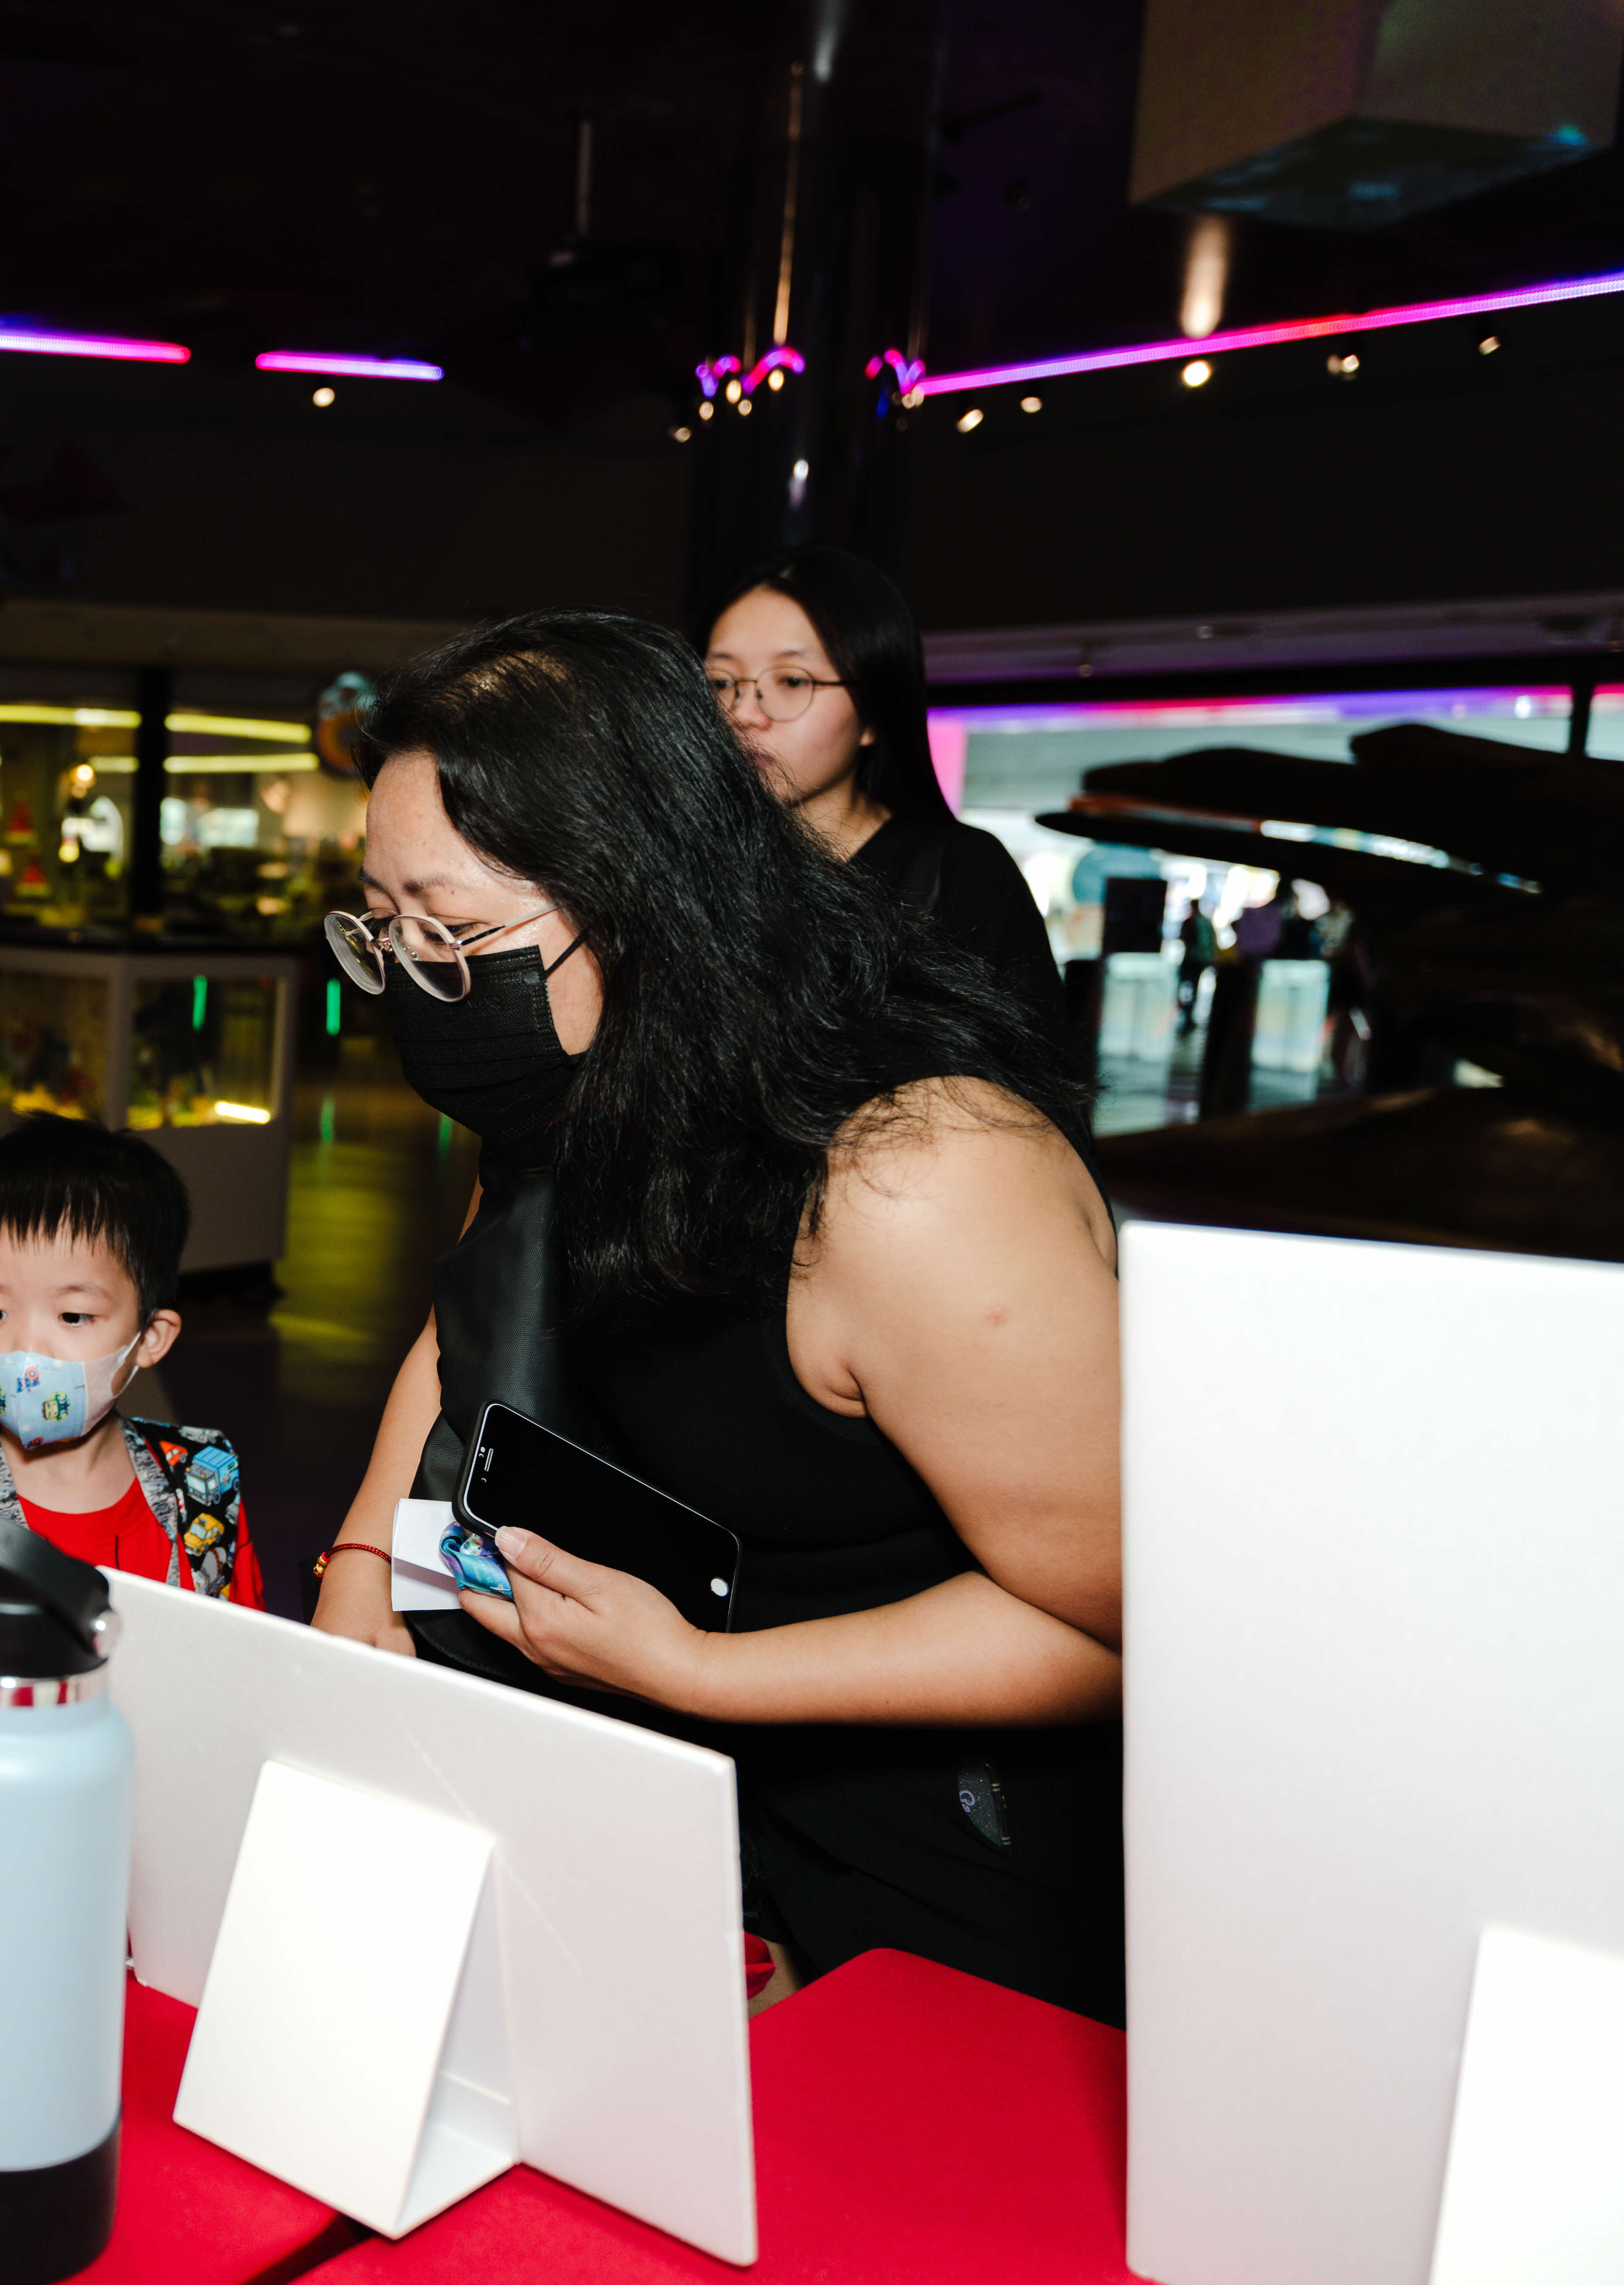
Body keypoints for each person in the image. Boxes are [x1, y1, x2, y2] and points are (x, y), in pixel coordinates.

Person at [306, 613, 1123, 2022]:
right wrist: (363, 1556)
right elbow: (470, 1317)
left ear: (639, 896)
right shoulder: (570, 1076)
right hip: (668, 1794)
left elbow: (1117, 1624)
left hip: (933, 1875)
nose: (415, 976)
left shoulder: (917, 1180)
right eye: (386, 925)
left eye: (454, 930)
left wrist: (704, 1671)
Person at [0, 1118, 261, 1606]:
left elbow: (246, 1645)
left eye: (73, 1316)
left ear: (150, 1337)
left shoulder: (205, 1485)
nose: (28, 1349)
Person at [703, 547, 1069, 1049]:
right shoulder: (684, 866)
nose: (742, 713)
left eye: (791, 681)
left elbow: (1031, 1079)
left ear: (872, 714)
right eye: (720, 682)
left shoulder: (957, 875)